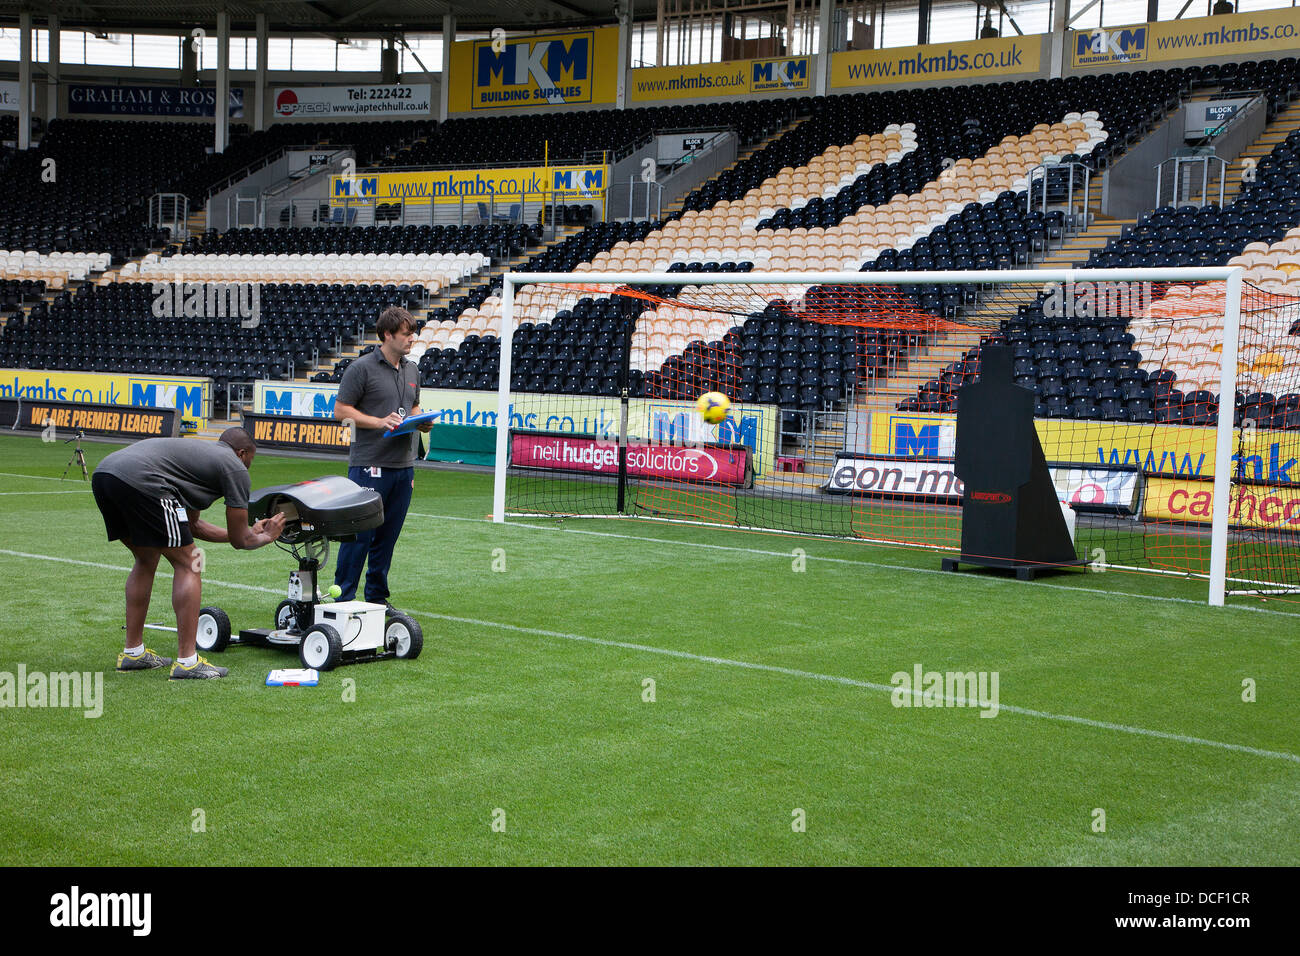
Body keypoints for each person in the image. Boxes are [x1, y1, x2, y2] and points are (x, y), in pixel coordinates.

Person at [92, 427, 285, 680]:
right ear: (241, 453)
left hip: (106, 475)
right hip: (143, 480)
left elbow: (192, 526)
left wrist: (249, 532)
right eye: (251, 459)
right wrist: (267, 536)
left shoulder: (198, 462)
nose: (249, 465)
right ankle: (187, 662)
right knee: (191, 562)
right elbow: (240, 541)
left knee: (146, 558)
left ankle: (133, 653)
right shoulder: (235, 467)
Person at [332, 305, 431, 609]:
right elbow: (340, 411)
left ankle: (376, 599)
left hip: (403, 467)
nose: (411, 339)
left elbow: (413, 406)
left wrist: (421, 419)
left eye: (413, 333)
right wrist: (378, 422)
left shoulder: (412, 369)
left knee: (387, 538)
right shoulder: (361, 368)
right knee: (359, 536)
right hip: (368, 464)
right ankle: (343, 598)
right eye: (406, 333)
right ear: (387, 334)